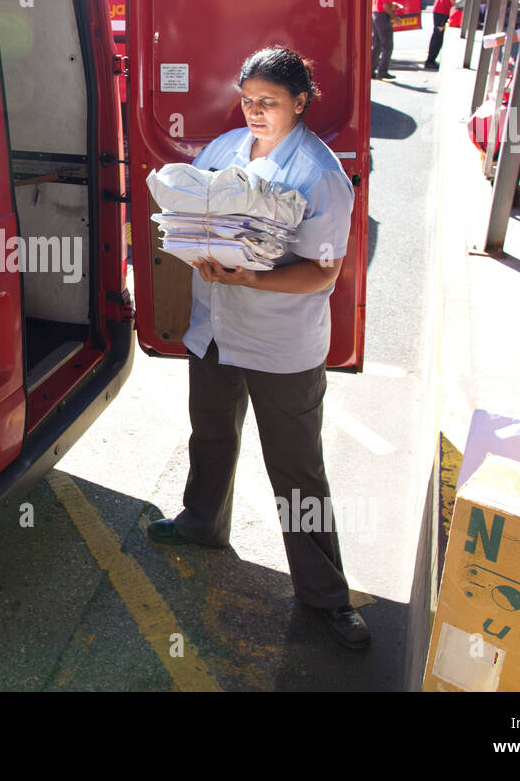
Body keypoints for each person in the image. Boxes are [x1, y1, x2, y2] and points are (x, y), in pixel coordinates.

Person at [145, 46, 369, 650]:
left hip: (280, 343)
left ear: (301, 103)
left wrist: (254, 278)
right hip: (215, 326)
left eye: (268, 102)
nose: (255, 112)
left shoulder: (318, 173)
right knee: (211, 434)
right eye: (247, 100)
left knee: (298, 472)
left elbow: (324, 272)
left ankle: (326, 595)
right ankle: (202, 522)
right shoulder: (224, 150)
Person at [423, 0, 468, 70]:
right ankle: (430, 60)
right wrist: (460, 7)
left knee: (437, 35)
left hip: (440, 9)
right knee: (438, 36)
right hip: (443, 10)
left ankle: (431, 60)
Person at [370, 0, 404, 80]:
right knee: (387, 45)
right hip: (382, 16)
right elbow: (385, 6)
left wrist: (392, 5)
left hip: (375, 14)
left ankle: (370, 70)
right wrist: (396, 17)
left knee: (377, 44)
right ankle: (382, 72)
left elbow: (383, 2)